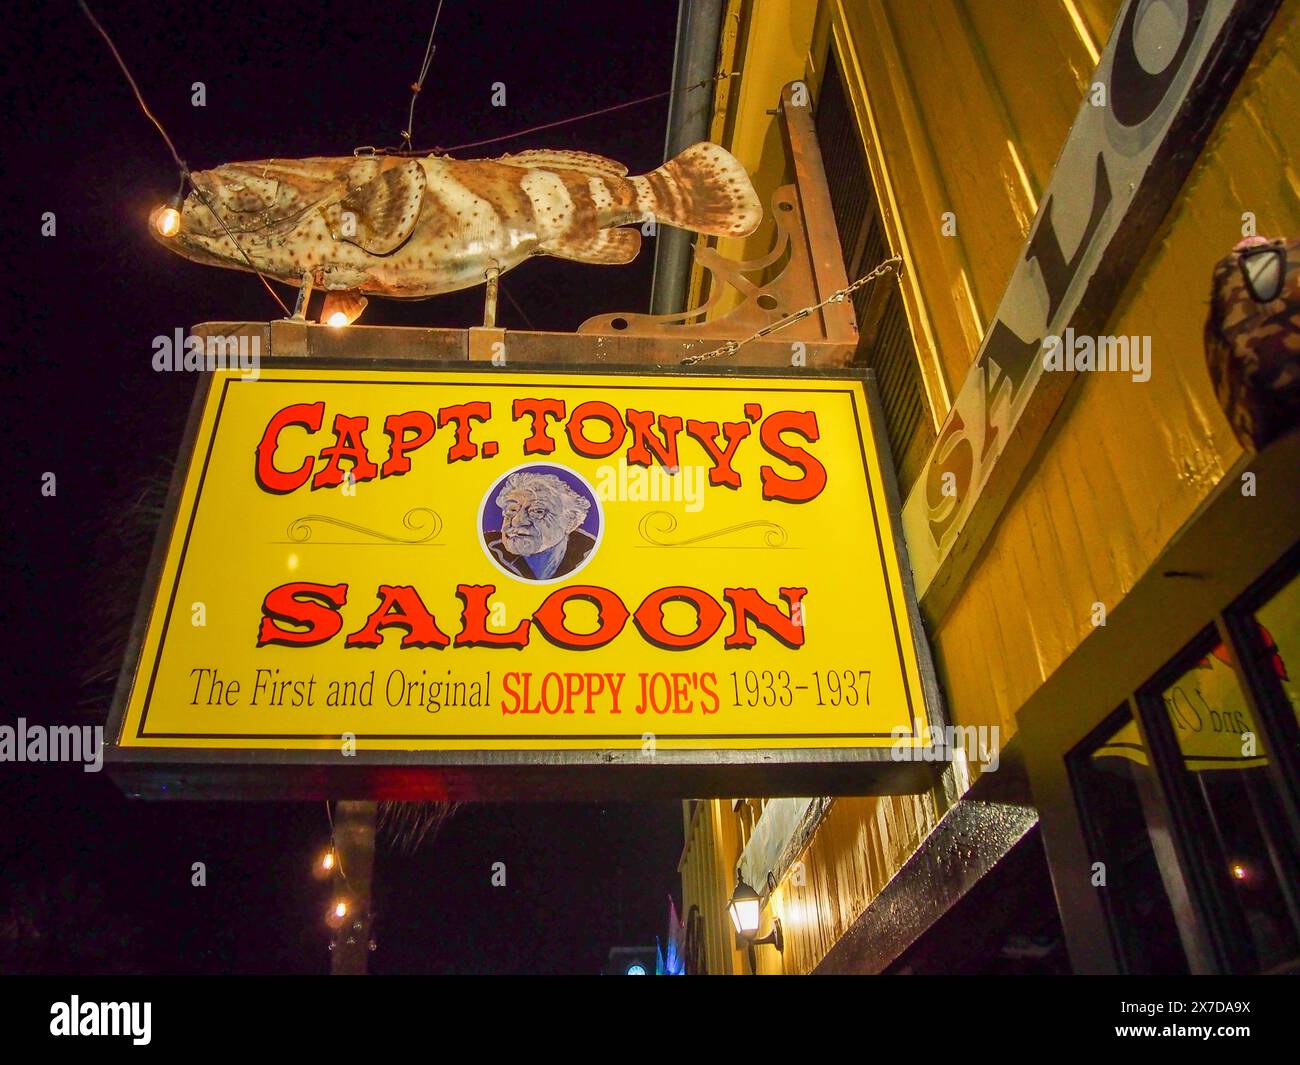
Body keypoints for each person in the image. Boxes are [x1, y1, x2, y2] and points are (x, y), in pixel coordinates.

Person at [485, 470, 596, 581]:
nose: (516, 521)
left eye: (538, 511)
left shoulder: (593, 555)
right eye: (512, 509)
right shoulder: (487, 547)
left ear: (571, 523)